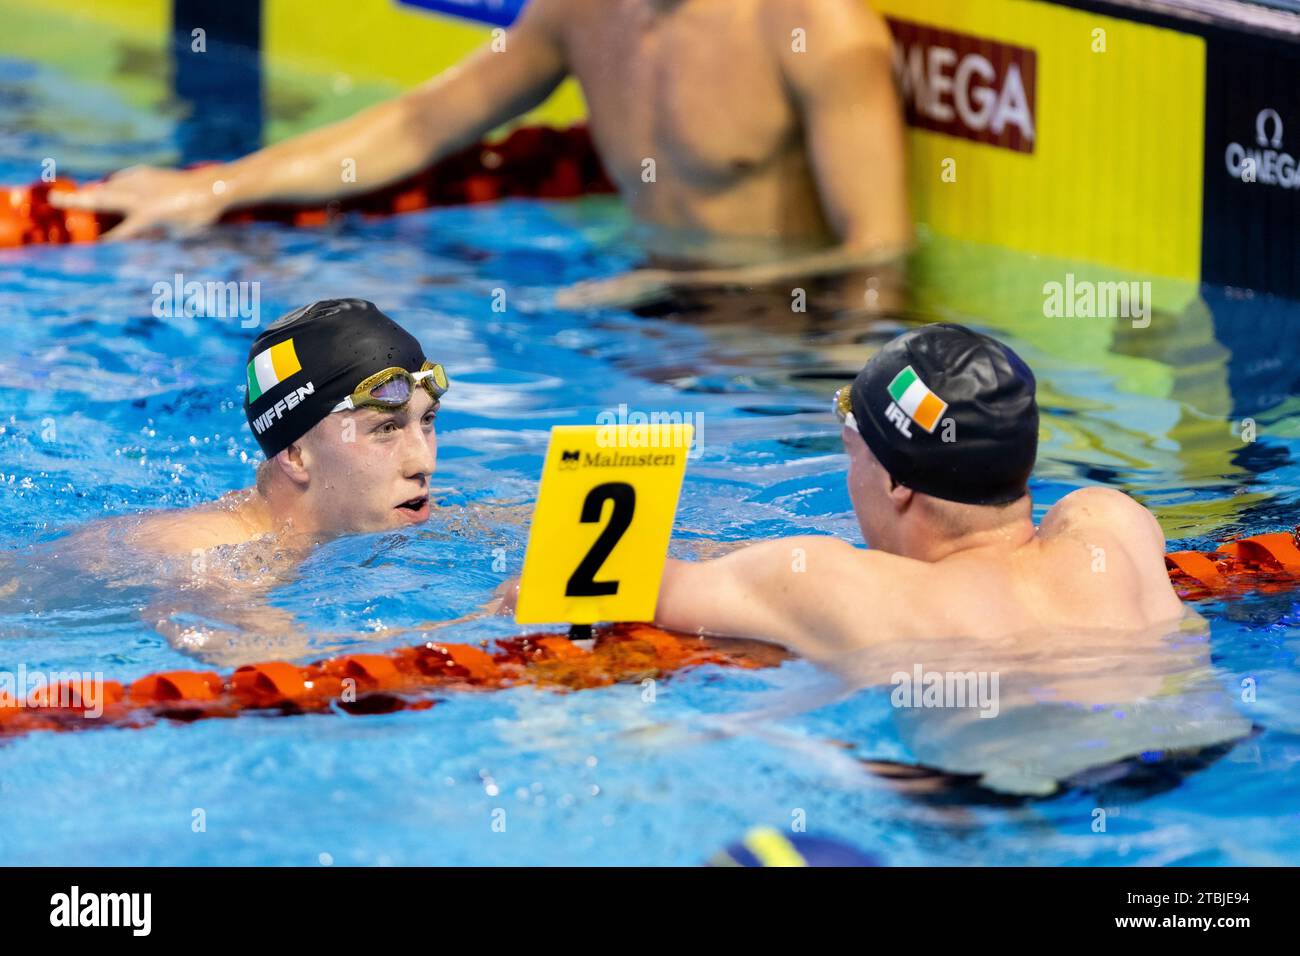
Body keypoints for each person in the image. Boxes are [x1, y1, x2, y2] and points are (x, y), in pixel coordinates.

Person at [51, 0, 910, 310]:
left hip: (775, 380)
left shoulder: (817, 29)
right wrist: (219, 187)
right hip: (636, 334)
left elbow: (879, 258)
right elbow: (425, 122)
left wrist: (679, 289)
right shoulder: (582, 10)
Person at [652, 323, 1187, 658]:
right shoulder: (1113, 525)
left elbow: (623, 580)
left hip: (984, 799)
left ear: (894, 483)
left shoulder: (840, 586)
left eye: (851, 451)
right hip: (1185, 763)